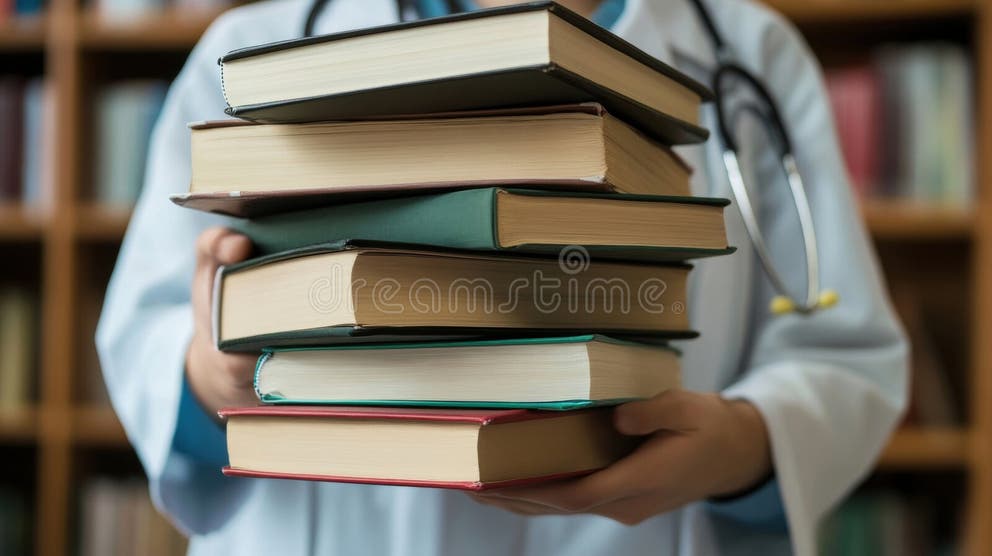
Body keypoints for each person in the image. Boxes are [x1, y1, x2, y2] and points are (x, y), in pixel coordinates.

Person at [95, 0, 909, 554]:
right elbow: (148, 332)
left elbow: (843, 358)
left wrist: (743, 447)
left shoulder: (750, 55)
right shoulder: (254, 55)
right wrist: (209, 373)